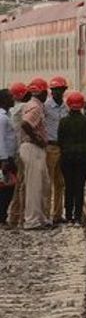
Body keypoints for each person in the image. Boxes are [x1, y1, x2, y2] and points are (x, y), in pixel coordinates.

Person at [58, 92, 86, 226]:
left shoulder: (63, 122)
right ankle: (78, 217)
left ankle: (68, 216)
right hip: (83, 157)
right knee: (80, 187)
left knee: (69, 187)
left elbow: (60, 140)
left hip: (67, 157)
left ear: (68, 105)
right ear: (82, 105)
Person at [18, 79, 52, 230]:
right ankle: (32, 221)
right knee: (35, 186)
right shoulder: (36, 107)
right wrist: (37, 139)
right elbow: (25, 124)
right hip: (33, 148)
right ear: (44, 92)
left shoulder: (30, 104)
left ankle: (41, 218)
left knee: (43, 184)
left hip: (32, 148)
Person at [43, 75, 69, 223]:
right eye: (55, 90)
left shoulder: (66, 108)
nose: (57, 93)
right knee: (47, 183)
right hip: (50, 147)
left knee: (60, 183)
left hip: (62, 148)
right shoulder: (45, 107)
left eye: (60, 90)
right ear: (51, 91)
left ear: (64, 90)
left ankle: (57, 214)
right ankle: (46, 215)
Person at [5, 82, 29, 227]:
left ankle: (13, 215)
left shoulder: (10, 111)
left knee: (13, 183)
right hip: (20, 150)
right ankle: (18, 216)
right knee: (22, 184)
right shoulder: (23, 108)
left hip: (12, 152)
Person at [0, 89, 16, 224]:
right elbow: (0, 139)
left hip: (8, 158)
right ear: (3, 100)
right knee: (5, 187)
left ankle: (2, 214)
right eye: (10, 97)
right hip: (4, 160)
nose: (13, 98)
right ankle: (1, 216)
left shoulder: (7, 115)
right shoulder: (2, 118)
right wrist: (4, 160)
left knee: (7, 186)